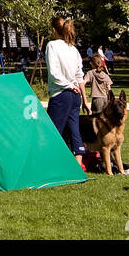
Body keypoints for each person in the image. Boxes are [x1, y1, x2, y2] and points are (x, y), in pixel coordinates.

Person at [45, 16, 85, 167]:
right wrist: (84, 98)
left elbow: (54, 73)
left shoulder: (52, 45)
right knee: (74, 130)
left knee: (53, 132)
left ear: (54, 30)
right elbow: (79, 74)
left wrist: (68, 85)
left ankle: (52, 164)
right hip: (75, 96)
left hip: (61, 94)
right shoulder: (73, 49)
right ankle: (78, 165)